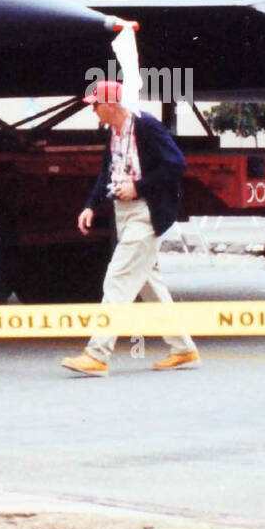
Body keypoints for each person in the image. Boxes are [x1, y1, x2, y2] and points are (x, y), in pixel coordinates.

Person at [61, 80, 200, 377]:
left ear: (112, 104)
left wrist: (138, 187)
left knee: (117, 279)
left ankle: (97, 354)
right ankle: (184, 349)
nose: (94, 111)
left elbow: (176, 164)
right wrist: (90, 205)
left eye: (96, 105)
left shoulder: (146, 127)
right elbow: (106, 173)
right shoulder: (113, 132)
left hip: (145, 213)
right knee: (150, 285)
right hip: (124, 212)